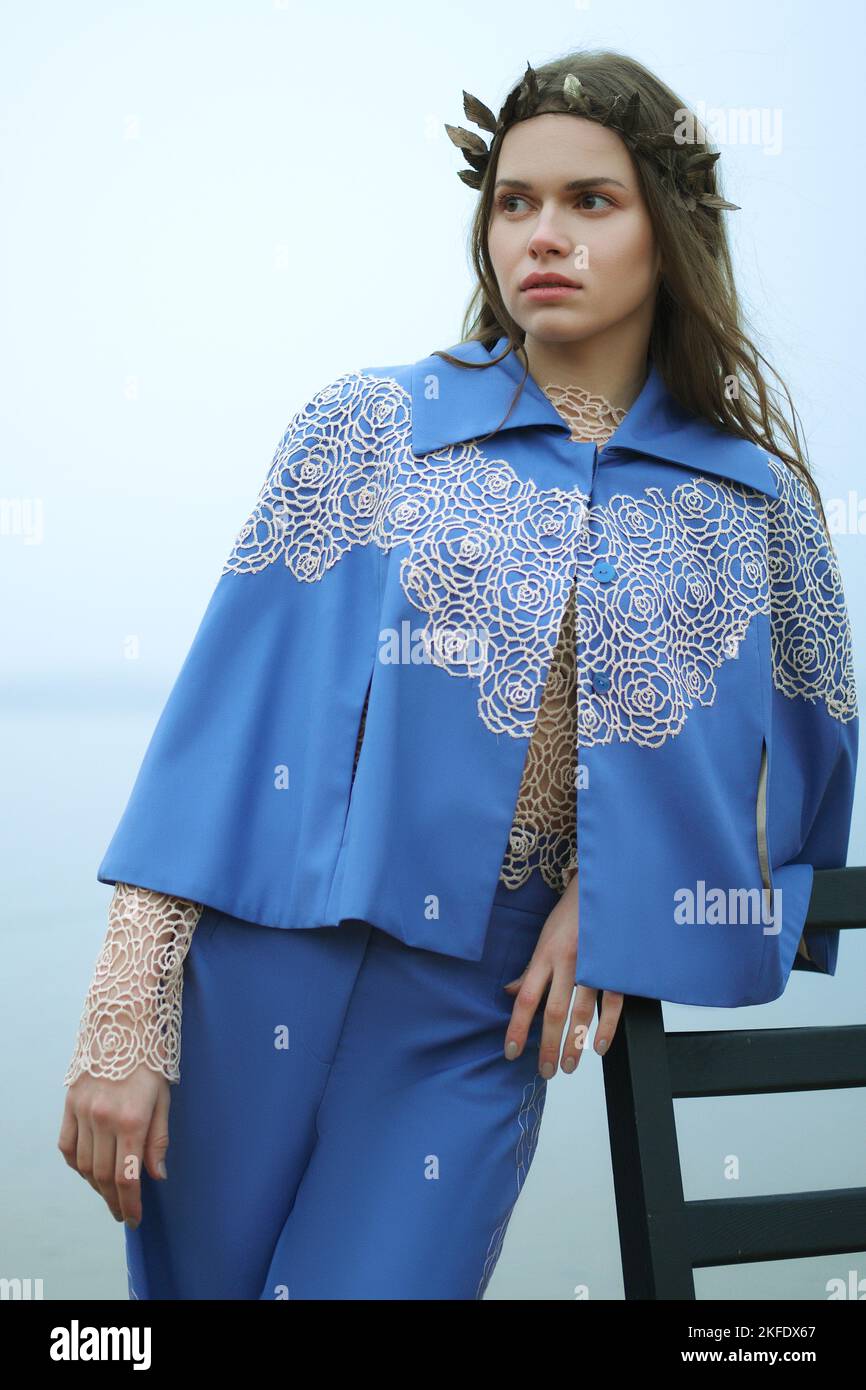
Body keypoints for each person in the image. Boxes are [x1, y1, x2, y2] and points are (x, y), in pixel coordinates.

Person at [57, 50, 858, 1300]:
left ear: (670, 228)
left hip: (477, 1019)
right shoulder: (365, 428)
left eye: (589, 200)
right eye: (511, 200)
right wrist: (123, 1019)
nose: (541, 233)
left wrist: (622, 884)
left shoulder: (753, 510)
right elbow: (216, 739)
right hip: (254, 970)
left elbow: (796, 794)